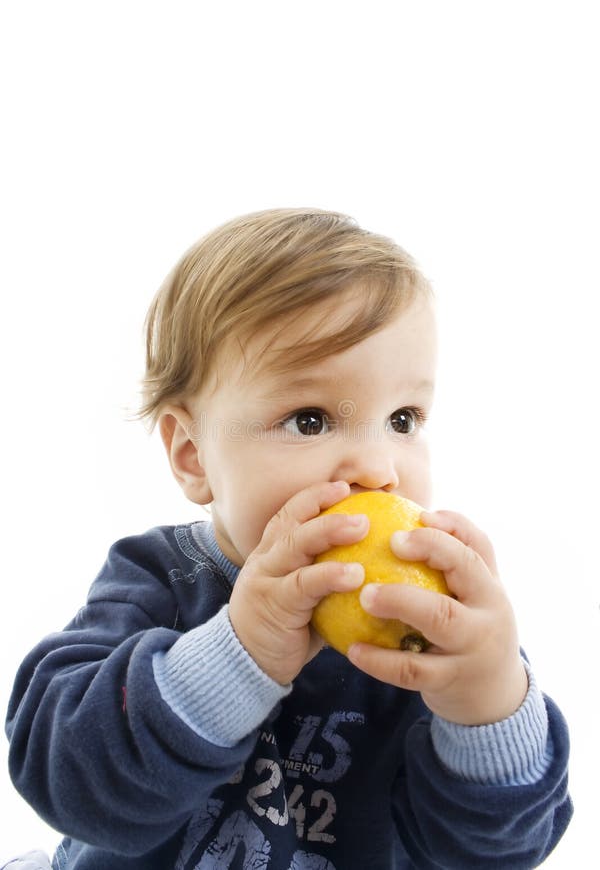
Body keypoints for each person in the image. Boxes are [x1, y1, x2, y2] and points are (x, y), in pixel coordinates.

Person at [5, 208, 572, 869]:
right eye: (310, 420)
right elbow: (66, 779)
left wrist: (490, 708)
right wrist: (239, 652)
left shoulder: (425, 627)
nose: (378, 468)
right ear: (192, 454)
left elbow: (496, 853)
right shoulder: (161, 579)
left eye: (403, 418)